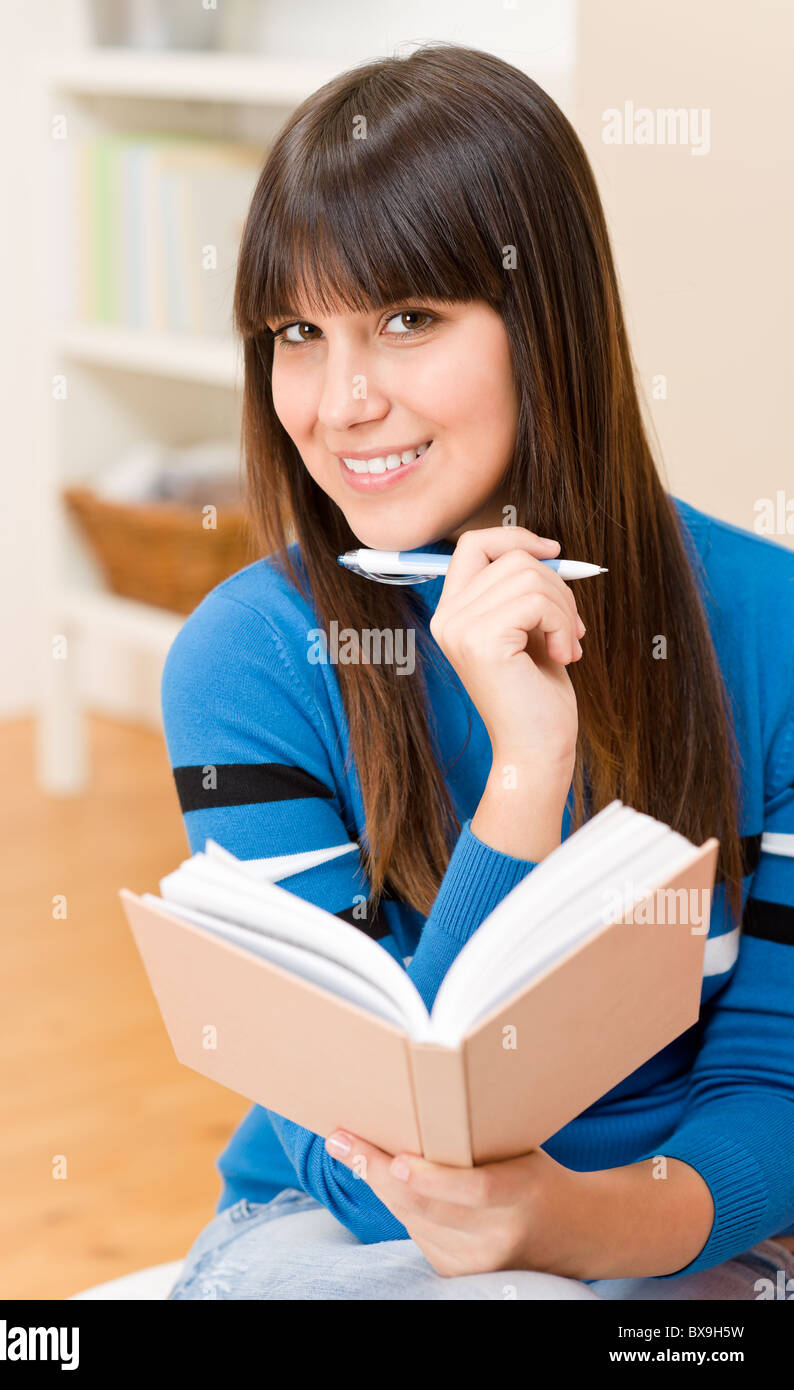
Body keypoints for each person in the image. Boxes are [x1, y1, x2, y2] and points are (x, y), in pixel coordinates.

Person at [160, 43, 794, 1299]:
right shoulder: (246, 662)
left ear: (545, 320)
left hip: (674, 1229)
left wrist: (586, 1226)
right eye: (296, 332)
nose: (338, 404)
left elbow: (775, 1080)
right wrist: (523, 777)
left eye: (405, 320)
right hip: (351, 1234)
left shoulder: (767, 622)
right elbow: (372, 1151)